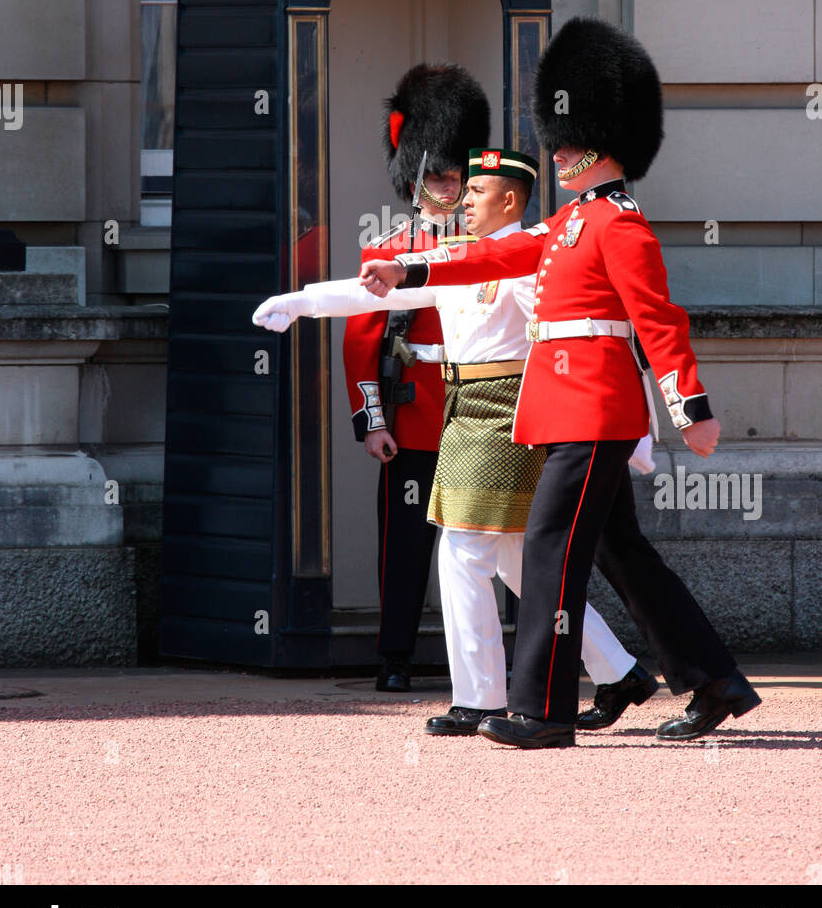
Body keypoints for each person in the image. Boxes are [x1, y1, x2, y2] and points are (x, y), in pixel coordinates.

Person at [359, 16, 761, 747]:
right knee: (623, 555)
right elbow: (488, 259)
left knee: (545, 548)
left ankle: (540, 710)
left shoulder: (620, 225)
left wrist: (689, 408)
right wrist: (407, 271)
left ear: (602, 144)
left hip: (594, 409)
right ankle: (714, 681)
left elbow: (659, 320)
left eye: (570, 140)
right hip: (562, 408)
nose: (559, 149)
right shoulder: (569, 221)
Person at [254, 145, 657, 735]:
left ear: (510, 201)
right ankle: (619, 671)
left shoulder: (535, 261)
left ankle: (481, 697)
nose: (463, 201)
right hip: (463, 411)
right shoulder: (456, 257)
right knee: (520, 562)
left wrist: (636, 431)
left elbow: (602, 336)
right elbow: (380, 293)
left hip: (508, 414)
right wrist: (304, 302)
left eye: (476, 192)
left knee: (464, 552)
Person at [342, 63, 490, 692]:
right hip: (415, 417)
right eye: (437, 177)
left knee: (481, 549)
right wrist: (373, 424)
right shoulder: (388, 250)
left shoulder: (487, 249)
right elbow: (361, 344)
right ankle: (395, 656)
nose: (449, 189)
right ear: (415, 180)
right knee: (404, 551)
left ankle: (479, 668)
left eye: (457, 178)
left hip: (479, 414)